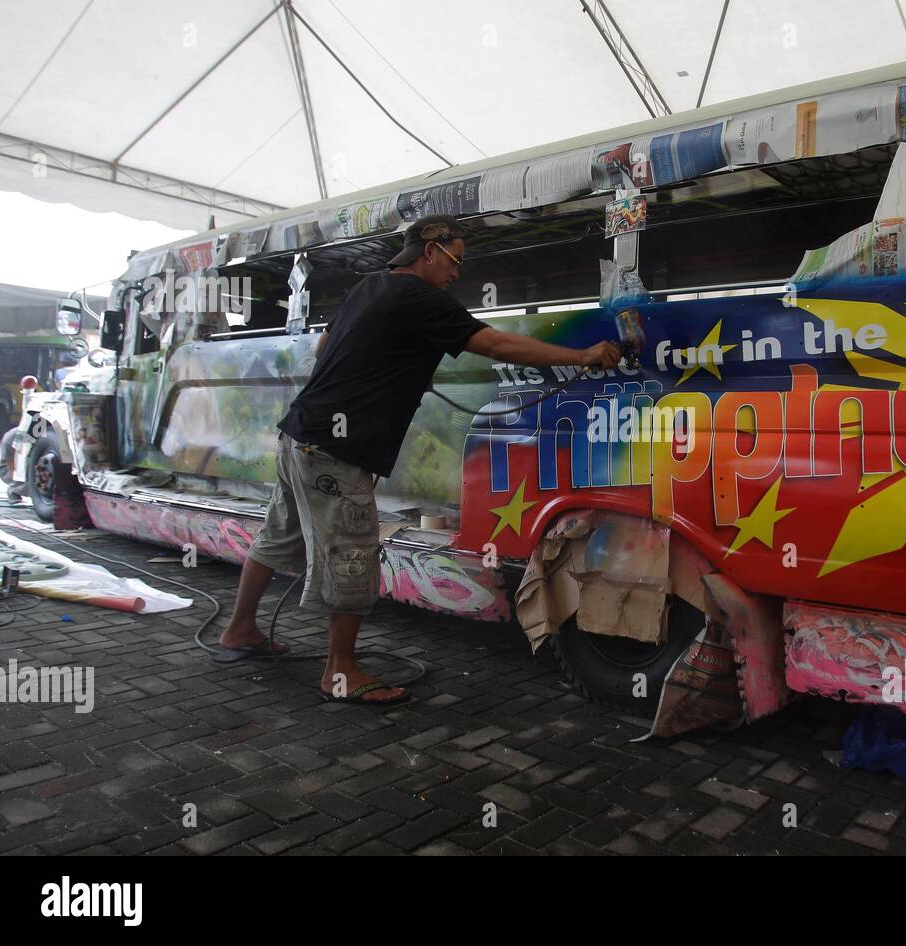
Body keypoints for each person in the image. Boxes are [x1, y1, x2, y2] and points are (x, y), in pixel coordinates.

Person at [218, 214, 622, 705]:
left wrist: (388, 365)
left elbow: (326, 347)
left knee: (276, 537)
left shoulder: (371, 286)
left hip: (299, 435)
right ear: (430, 251)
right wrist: (580, 356)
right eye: (455, 260)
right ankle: (340, 672)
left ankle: (239, 630)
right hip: (335, 452)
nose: (457, 273)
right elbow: (493, 343)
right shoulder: (421, 297)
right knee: (353, 552)